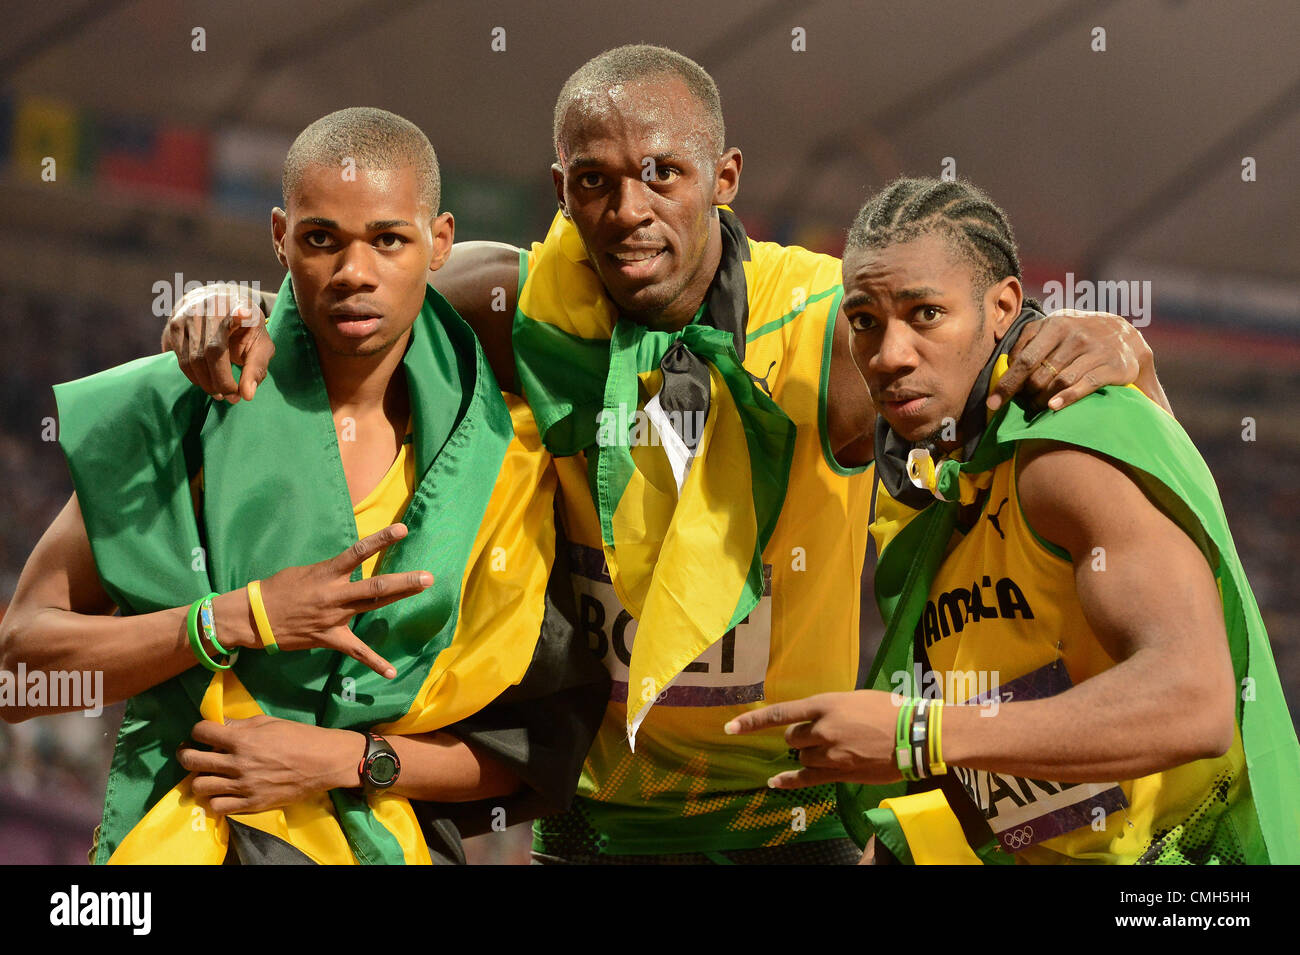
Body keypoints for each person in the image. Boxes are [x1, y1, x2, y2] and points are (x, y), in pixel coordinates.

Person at [161, 47, 1164, 864]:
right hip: (591, 821)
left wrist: (1116, 348)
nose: (628, 208)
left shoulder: (827, 328)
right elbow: (353, 299)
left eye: (662, 174)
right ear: (560, 190)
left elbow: (994, 361)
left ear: (724, 180)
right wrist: (239, 307)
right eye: (592, 181)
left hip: (784, 822)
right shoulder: (512, 302)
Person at [0, 107, 607, 865]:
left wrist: (345, 758)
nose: (355, 271)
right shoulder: (191, 405)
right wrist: (232, 619)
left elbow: (530, 746)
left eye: (389, 239)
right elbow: (17, 674)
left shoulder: (509, 460)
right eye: (323, 239)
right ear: (281, 238)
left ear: (440, 241)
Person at [725, 177, 1300, 864]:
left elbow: (1192, 699)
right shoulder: (922, 495)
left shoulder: (1067, 447)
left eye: (926, 313)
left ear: (1002, 307)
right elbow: (1010, 752)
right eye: (865, 320)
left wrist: (917, 734)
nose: (889, 353)